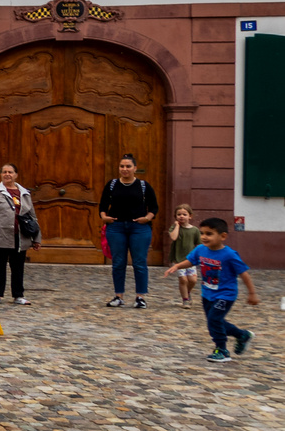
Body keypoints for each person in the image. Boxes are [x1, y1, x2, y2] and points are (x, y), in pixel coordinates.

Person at [163, 217, 258, 362]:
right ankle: (242, 335)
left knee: (214, 320)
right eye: (202, 233)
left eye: (209, 234)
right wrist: (177, 266)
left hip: (225, 295)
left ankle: (222, 350)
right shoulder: (200, 249)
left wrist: (252, 293)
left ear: (223, 236)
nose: (204, 237)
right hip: (207, 293)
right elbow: (191, 261)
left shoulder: (229, 255)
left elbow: (243, 273)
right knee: (214, 321)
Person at [99, 153, 158, 308]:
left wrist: (148, 218)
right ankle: (119, 296)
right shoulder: (112, 185)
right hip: (116, 228)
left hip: (139, 228)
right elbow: (103, 205)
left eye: (128, 166)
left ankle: (140, 297)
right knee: (118, 263)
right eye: (122, 166)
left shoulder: (143, 186)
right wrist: (104, 217)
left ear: (135, 168)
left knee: (139, 263)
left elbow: (154, 207)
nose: (125, 169)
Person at [0, 163, 41, 305]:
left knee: (18, 266)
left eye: (10, 172)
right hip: (0, 234)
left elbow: (32, 216)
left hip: (20, 236)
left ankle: (18, 295)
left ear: (16, 175)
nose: (7, 174)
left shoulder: (24, 193)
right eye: (4, 172)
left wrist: (36, 238)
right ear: (1, 175)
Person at [167, 205, 199, 308]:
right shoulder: (174, 228)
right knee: (183, 280)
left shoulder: (195, 230)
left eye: (184, 214)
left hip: (190, 259)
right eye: (179, 214)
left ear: (190, 216)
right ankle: (185, 299)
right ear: (175, 216)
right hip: (177, 259)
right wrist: (177, 226)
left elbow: (199, 245)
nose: (181, 216)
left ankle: (187, 292)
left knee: (192, 280)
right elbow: (173, 237)